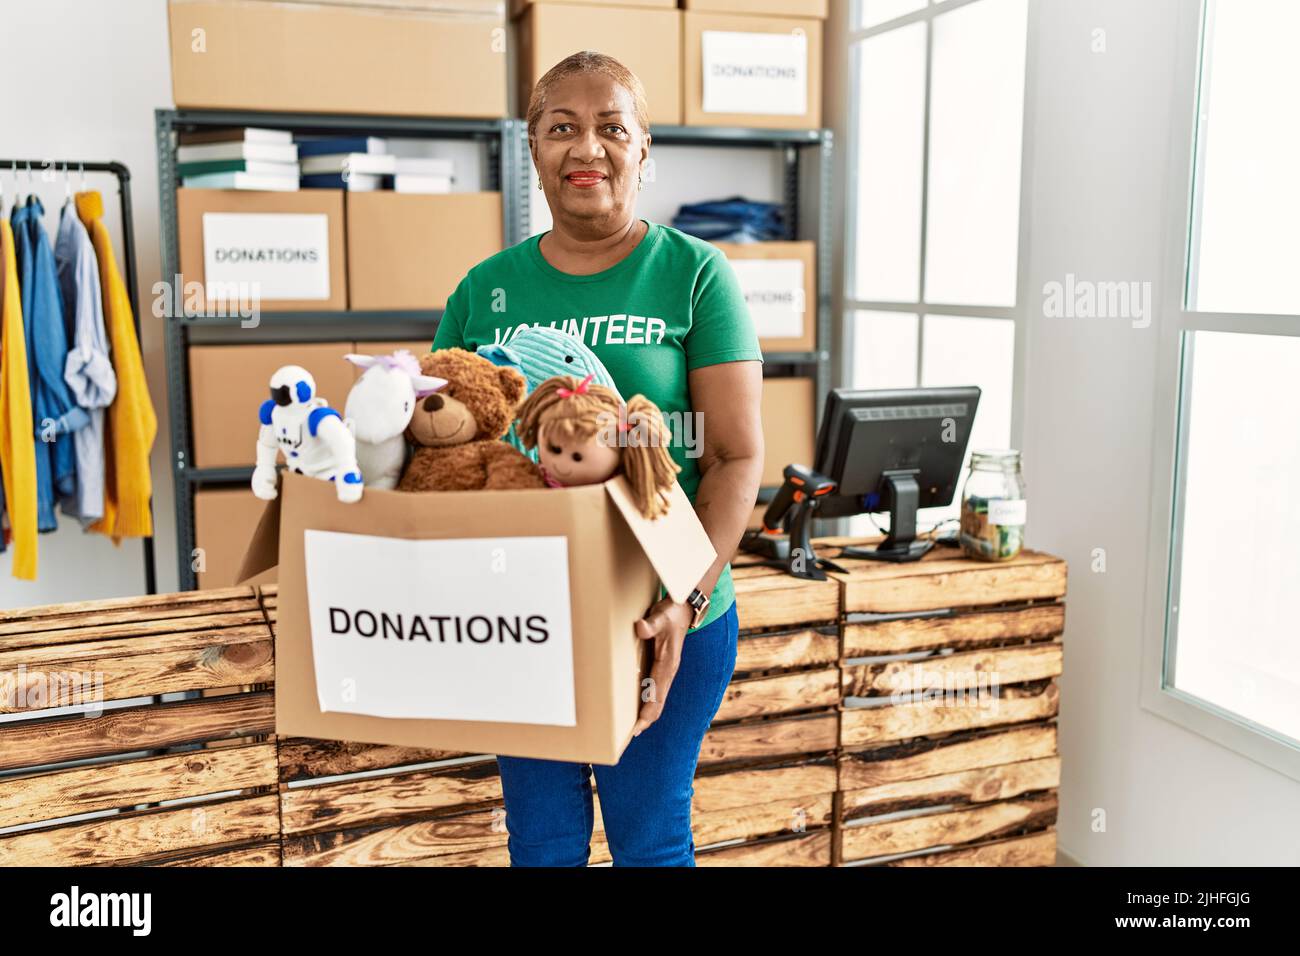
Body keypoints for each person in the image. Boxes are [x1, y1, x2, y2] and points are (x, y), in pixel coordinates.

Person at [431, 50, 765, 866]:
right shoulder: (485, 289)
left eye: (612, 128)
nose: (587, 149)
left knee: (650, 842)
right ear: (534, 152)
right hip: (524, 618)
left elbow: (734, 457)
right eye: (562, 129)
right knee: (542, 845)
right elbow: (440, 450)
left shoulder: (694, 276)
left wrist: (683, 600)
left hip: (663, 616)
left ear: (644, 150)